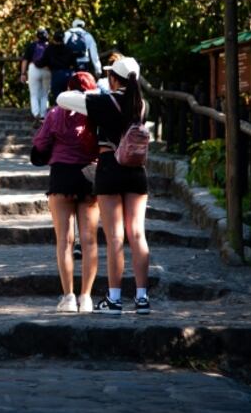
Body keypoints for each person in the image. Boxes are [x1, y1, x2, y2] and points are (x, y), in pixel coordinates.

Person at [57, 56, 151, 315]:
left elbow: (61, 100)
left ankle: (115, 299)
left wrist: (94, 92)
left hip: (110, 167)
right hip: (137, 171)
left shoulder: (101, 102)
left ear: (114, 78)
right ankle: (142, 299)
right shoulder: (143, 105)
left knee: (115, 238)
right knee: (138, 234)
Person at [31, 71, 100, 313]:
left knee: (65, 241)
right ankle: (87, 297)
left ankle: (69, 296)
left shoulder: (55, 114)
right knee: (90, 240)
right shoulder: (96, 114)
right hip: (90, 175)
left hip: (61, 176)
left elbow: (39, 145)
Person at [20, 28, 52, 124]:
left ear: (37, 36)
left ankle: (36, 114)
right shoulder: (50, 47)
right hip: (47, 70)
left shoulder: (32, 46)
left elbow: (25, 60)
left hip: (34, 69)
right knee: (44, 94)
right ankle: (43, 116)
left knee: (34, 94)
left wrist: (23, 73)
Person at [45, 30, 75, 105]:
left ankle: (58, 114)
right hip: (67, 74)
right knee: (68, 97)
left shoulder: (50, 49)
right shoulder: (68, 49)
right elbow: (74, 63)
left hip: (56, 74)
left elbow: (44, 61)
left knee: (57, 97)